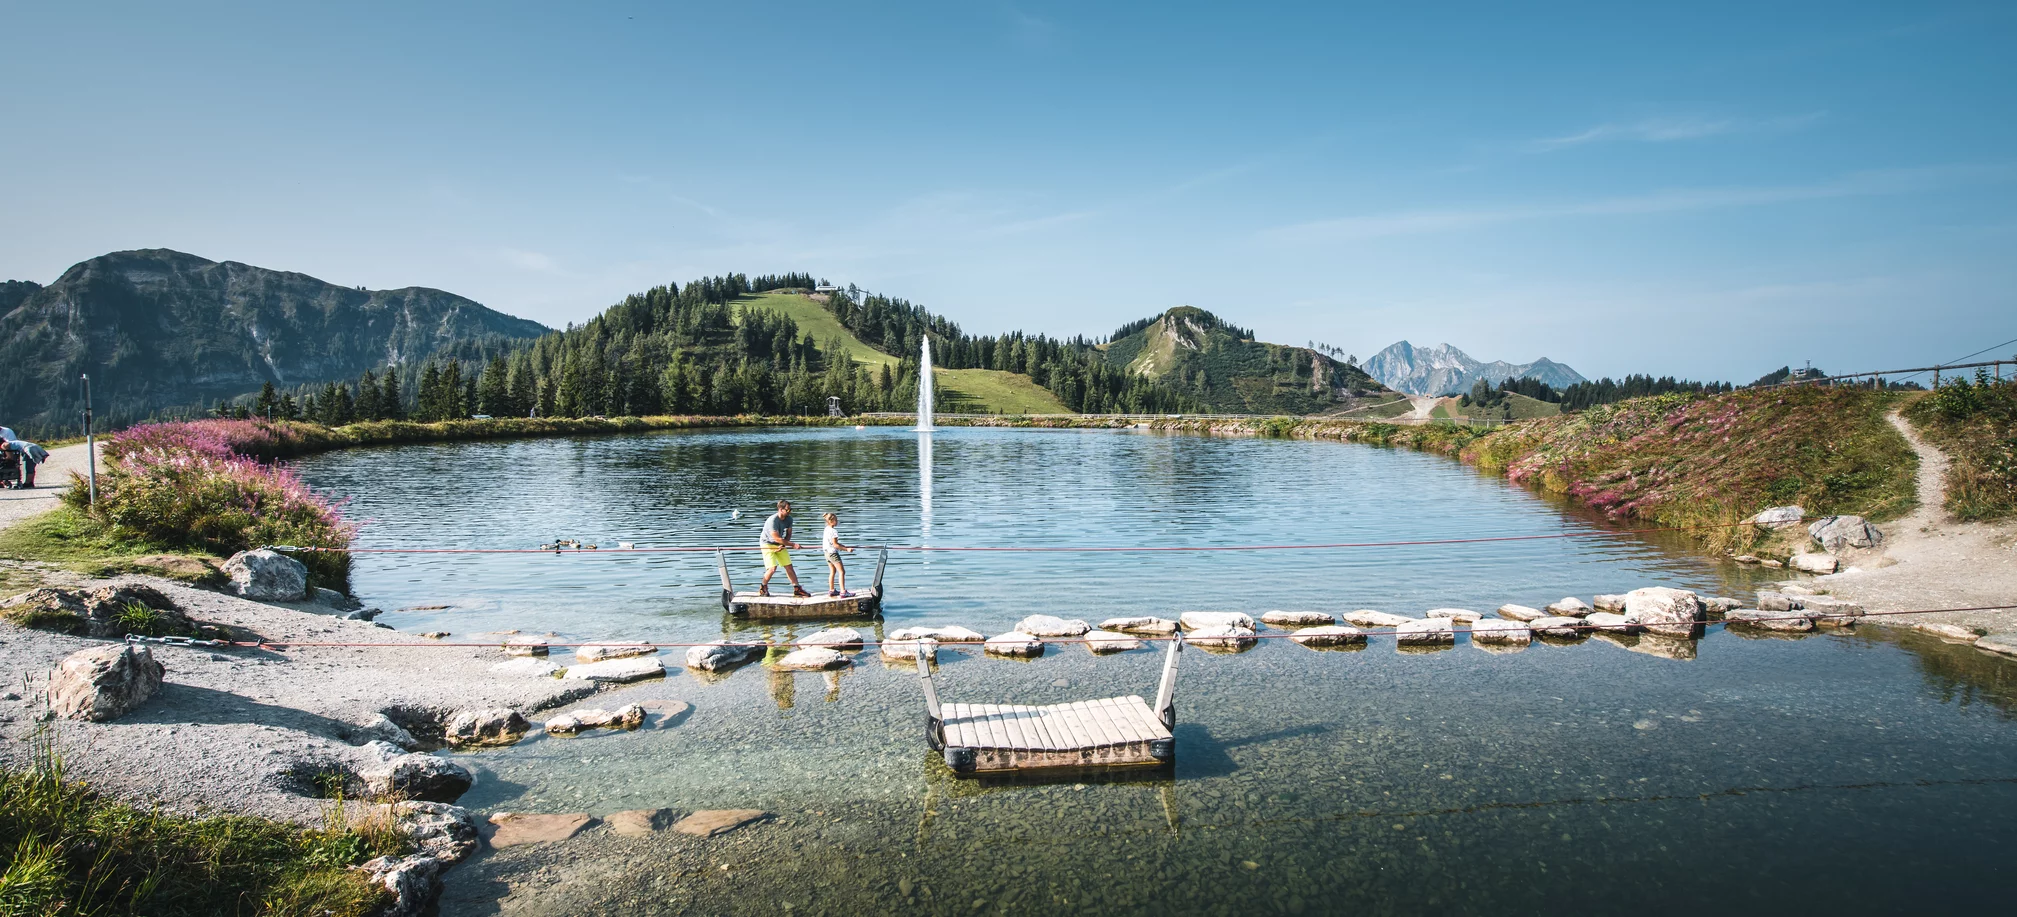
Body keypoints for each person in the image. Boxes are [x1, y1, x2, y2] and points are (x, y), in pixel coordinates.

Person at [758, 499, 811, 598]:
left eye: (790, 509)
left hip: (780, 543)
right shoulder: (772, 521)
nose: (789, 512)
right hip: (767, 544)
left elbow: (788, 534)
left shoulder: (789, 519)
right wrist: (793, 545)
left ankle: (797, 589)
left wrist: (783, 545)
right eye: (787, 510)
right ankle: (763, 587)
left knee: (789, 566)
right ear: (780, 509)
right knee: (772, 568)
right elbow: (776, 538)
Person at [821, 512, 857, 597]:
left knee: (832, 571)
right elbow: (835, 545)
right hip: (833, 554)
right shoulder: (834, 531)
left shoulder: (826, 529)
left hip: (826, 553)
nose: (837, 521)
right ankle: (843, 591)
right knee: (842, 572)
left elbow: (833, 543)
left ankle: (832, 590)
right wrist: (847, 549)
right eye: (836, 520)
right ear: (831, 521)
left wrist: (843, 546)